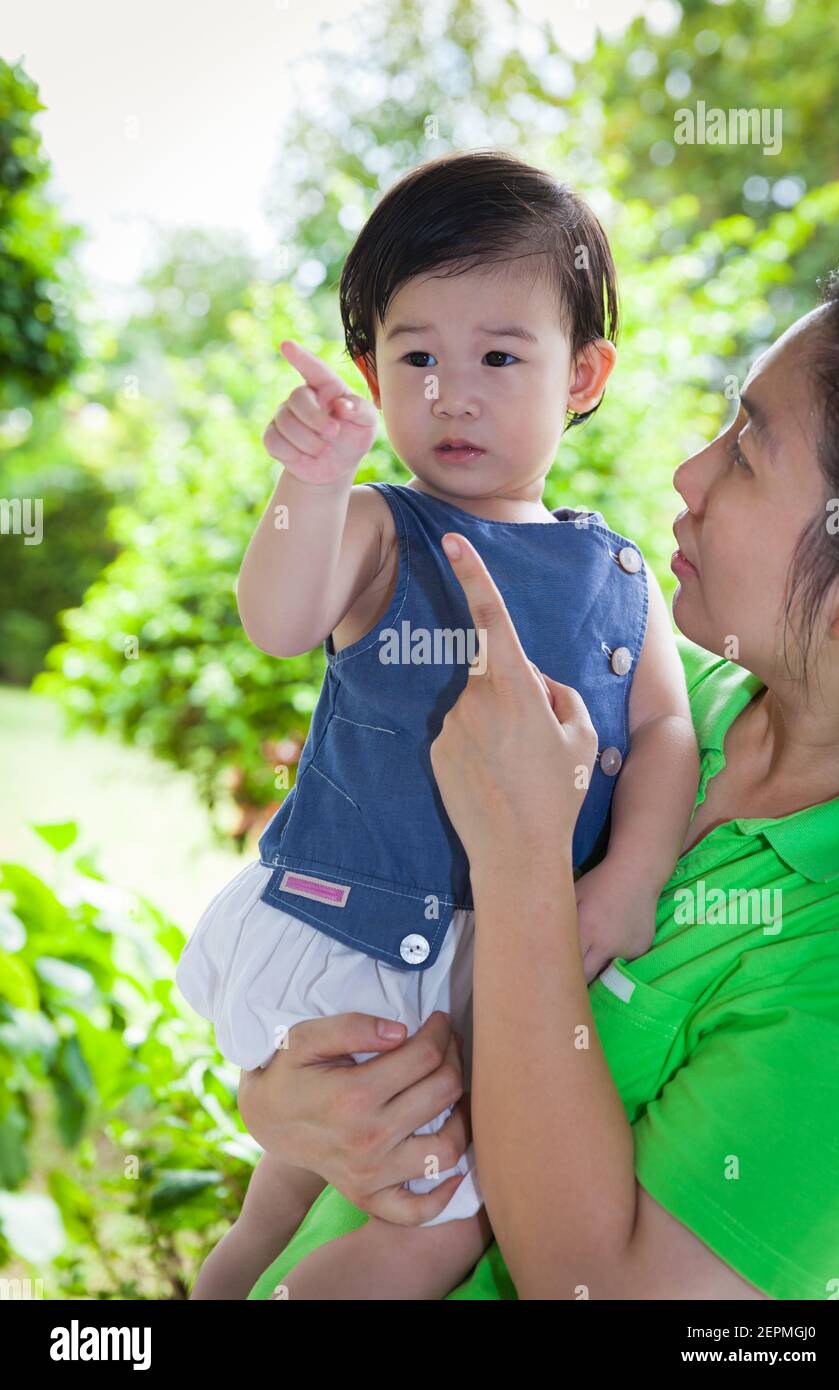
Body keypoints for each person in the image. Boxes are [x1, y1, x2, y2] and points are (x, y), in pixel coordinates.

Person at [240, 264, 839, 1301]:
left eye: (747, 452)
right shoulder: (654, 705)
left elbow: (599, 1289)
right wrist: (287, 1101)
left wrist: (523, 858)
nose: (687, 473)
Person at [175, 150, 700, 1299]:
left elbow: (666, 731)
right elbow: (278, 620)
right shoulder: (377, 528)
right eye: (416, 358)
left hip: (486, 959)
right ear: (370, 371)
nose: (452, 393)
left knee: (289, 1194)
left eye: (499, 357)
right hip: (355, 931)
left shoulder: (618, 574)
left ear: (582, 374)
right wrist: (312, 483)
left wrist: (632, 875)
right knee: (428, 1218)